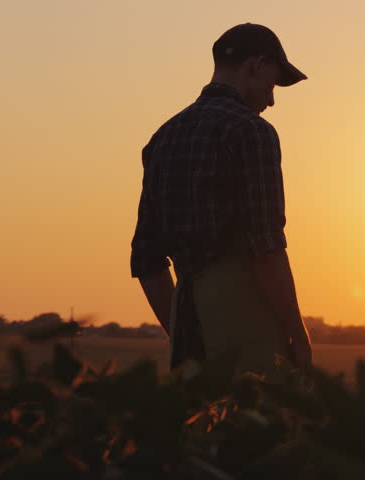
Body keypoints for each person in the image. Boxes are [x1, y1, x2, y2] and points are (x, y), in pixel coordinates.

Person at [130, 23, 311, 376]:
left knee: (200, 427)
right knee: (256, 425)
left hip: (186, 315)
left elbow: (146, 258)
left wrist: (181, 334)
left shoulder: (161, 138)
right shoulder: (252, 131)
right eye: (273, 85)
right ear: (256, 66)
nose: (272, 100)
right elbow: (267, 245)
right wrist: (298, 336)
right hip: (247, 315)